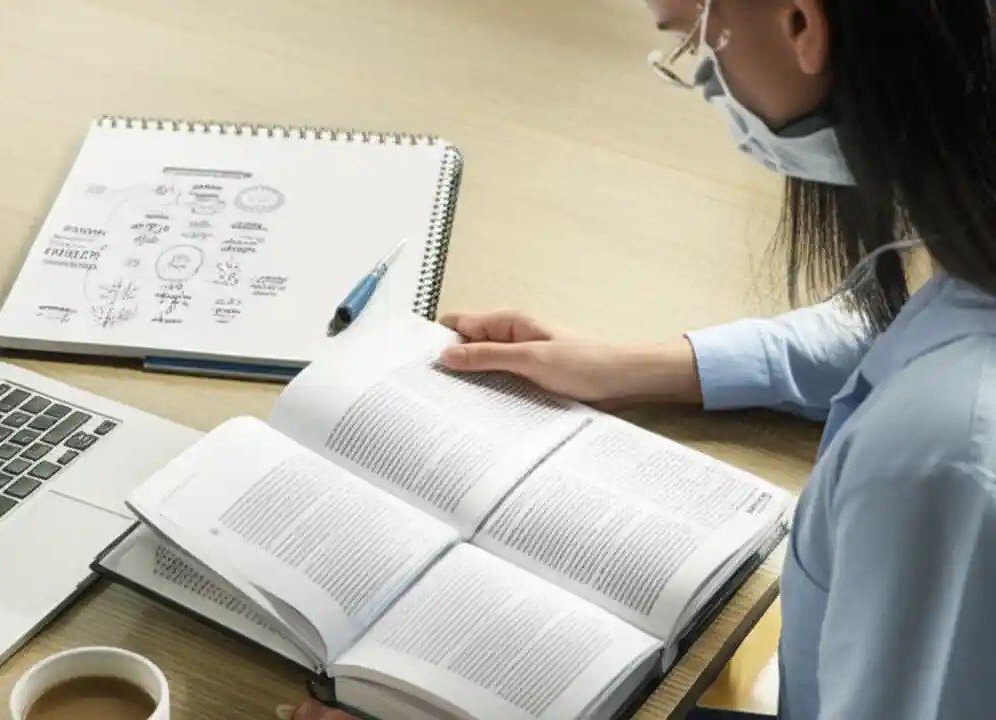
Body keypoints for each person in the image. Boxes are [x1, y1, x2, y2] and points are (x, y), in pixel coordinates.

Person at [292, 0, 996, 718]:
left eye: (695, 38)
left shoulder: (937, 463)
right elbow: (891, 325)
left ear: (800, 24)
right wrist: (638, 366)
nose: (708, 78)